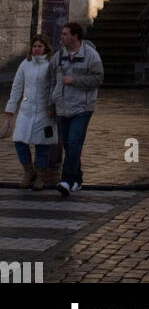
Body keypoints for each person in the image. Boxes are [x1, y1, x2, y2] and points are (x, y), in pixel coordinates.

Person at [49, 22, 104, 197]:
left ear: (75, 36)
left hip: (82, 107)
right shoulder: (58, 57)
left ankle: (66, 180)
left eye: (65, 34)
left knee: (74, 142)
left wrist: (74, 80)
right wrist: (51, 104)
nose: (62, 37)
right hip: (62, 106)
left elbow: (98, 79)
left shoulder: (91, 56)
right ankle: (77, 179)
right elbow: (51, 81)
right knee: (68, 144)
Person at [3, 33, 55, 190]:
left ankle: (40, 175)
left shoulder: (50, 65)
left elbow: (54, 86)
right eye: (34, 46)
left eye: (40, 46)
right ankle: (28, 171)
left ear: (45, 48)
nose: (36, 49)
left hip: (45, 111)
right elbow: (17, 86)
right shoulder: (25, 64)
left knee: (42, 144)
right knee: (19, 140)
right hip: (26, 110)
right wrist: (10, 108)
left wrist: (52, 107)